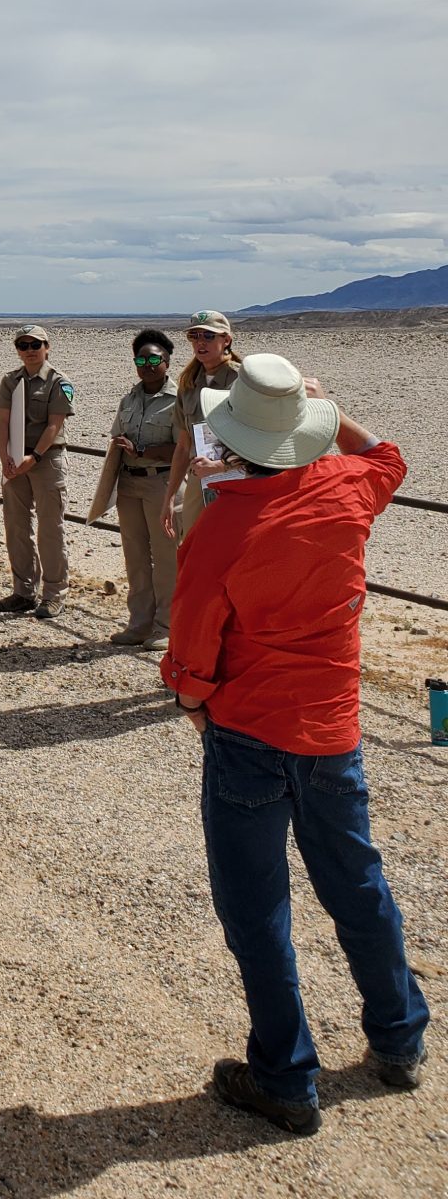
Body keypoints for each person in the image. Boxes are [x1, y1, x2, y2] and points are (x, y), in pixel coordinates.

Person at [160, 355, 430, 1133]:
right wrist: (327, 404)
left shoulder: (226, 526)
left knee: (258, 910)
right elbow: (390, 457)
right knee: (357, 884)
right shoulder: (347, 491)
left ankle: (284, 1076)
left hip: (250, 731)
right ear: (303, 430)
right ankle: (399, 1037)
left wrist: (192, 700)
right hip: (332, 728)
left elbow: (192, 643)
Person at [0, 326, 75, 618]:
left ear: (47, 347)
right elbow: (2, 422)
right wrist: (6, 459)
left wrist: (34, 456)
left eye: (35, 344)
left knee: (50, 529)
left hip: (46, 461)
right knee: (16, 526)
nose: (29, 350)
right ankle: (23, 591)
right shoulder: (10, 381)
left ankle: (54, 594)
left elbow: (54, 424)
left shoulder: (58, 382)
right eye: (23, 345)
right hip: (15, 461)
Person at [104, 330, 179, 647]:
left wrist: (143, 451)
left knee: (166, 557)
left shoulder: (180, 401)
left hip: (162, 482)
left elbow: (182, 449)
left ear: (166, 361)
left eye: (153, 359)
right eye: (140, 359)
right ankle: (139, 623)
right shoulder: (129, 399)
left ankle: (167, 626)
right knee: (135, 555)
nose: (146, 365)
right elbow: (116, 438)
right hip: (129, 482)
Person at [162, 309, 242, 545]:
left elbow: (259, 435)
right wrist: (169, 497)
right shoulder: (188, 385)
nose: (200, 342)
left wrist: (221, 465)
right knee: (196, 546)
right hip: (200, 479)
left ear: (226, 340)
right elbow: (183, 445)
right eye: (194, 336)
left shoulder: (243, 380)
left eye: (208, 336)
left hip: (239, 478)